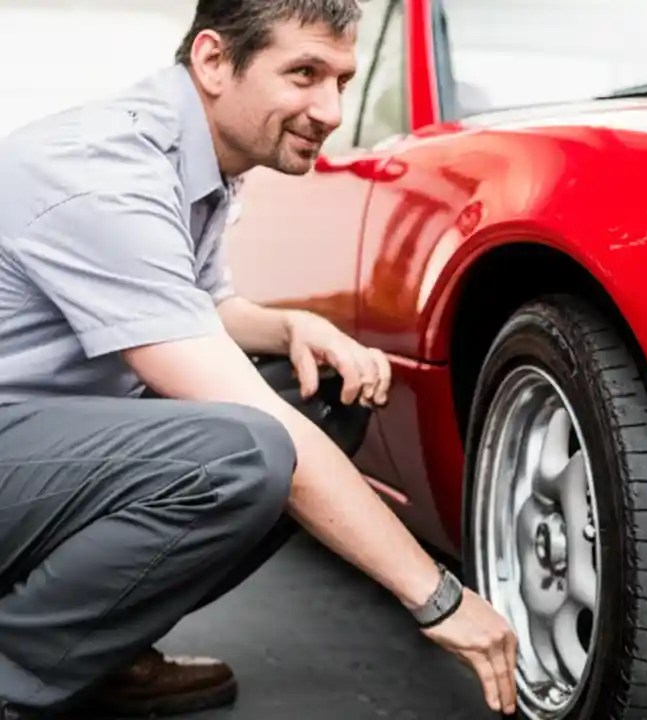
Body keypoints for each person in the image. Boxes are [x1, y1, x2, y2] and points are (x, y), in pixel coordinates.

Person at [0, 1, 518, 718]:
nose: (331, 110)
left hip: (34, 440)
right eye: (303, 73)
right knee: (244, 449)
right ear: (214, 61)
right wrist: (437, 597)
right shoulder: (104, 171)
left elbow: (193, 305)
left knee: (324, 391)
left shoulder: (205, 156)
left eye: (342, 79)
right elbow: (247, 414)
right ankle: (16, 672)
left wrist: (293, 328)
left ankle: (97, 644)